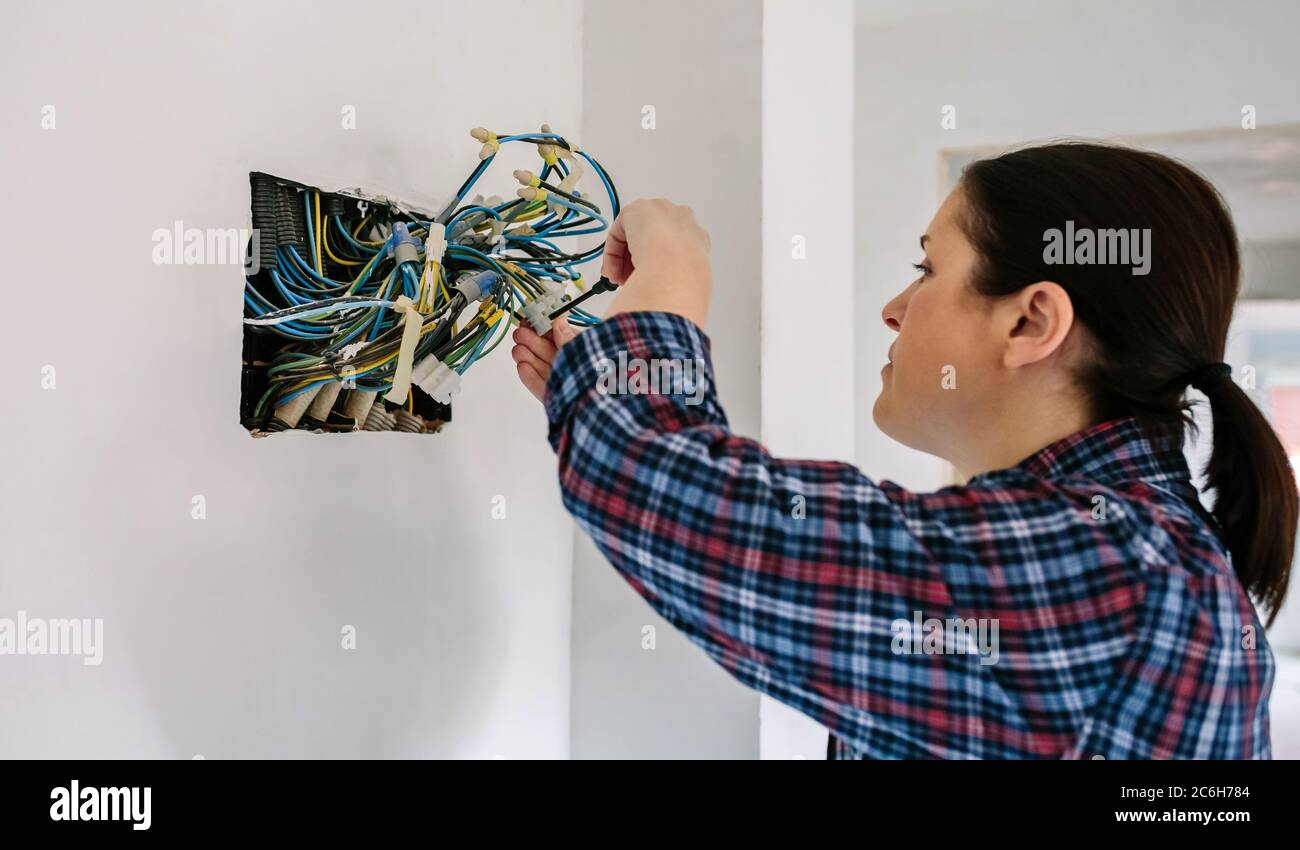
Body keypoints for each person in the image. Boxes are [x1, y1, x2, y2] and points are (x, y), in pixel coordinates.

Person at [510, 142, 1297, 759]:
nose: (894, 310)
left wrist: (671, 288)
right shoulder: (1133, 553)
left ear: (1030, 323)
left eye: (928, 268)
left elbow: (668, 496)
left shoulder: (1115, 569)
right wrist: (606, 398)